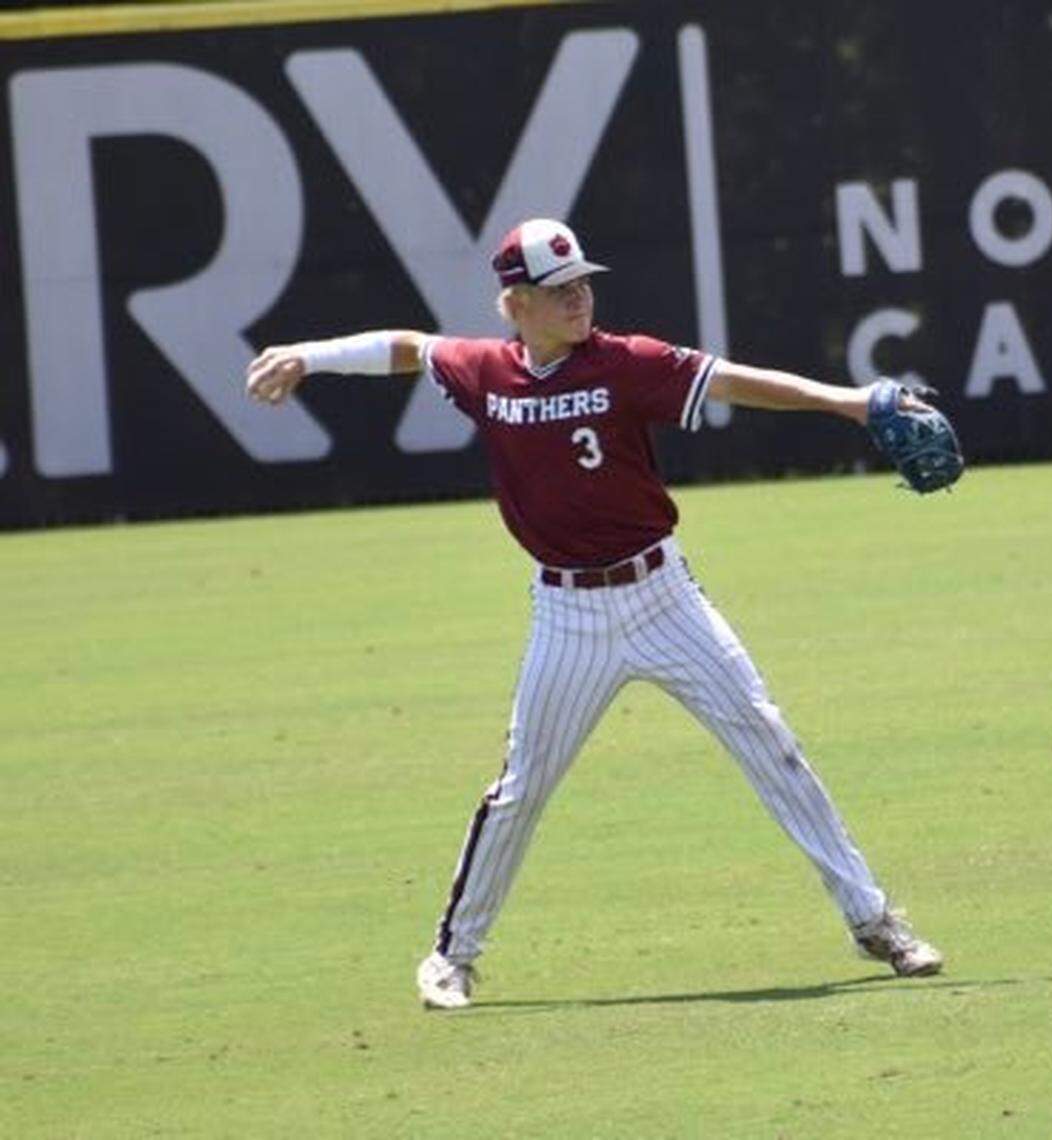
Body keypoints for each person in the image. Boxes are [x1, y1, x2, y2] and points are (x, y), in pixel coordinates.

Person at [246, 218, 944, 1010]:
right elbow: (409, 347)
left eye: (584, 282)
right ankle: (453, 956)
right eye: (560, 289)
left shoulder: (625, 364)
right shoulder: (485, 373)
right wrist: (310, 357)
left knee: (769, 741)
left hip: (663, 596)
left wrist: (854, 403)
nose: (580, 298)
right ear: (516, 303)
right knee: (522, 786)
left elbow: (734, 380)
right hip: (567, 615)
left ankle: (872, 918)